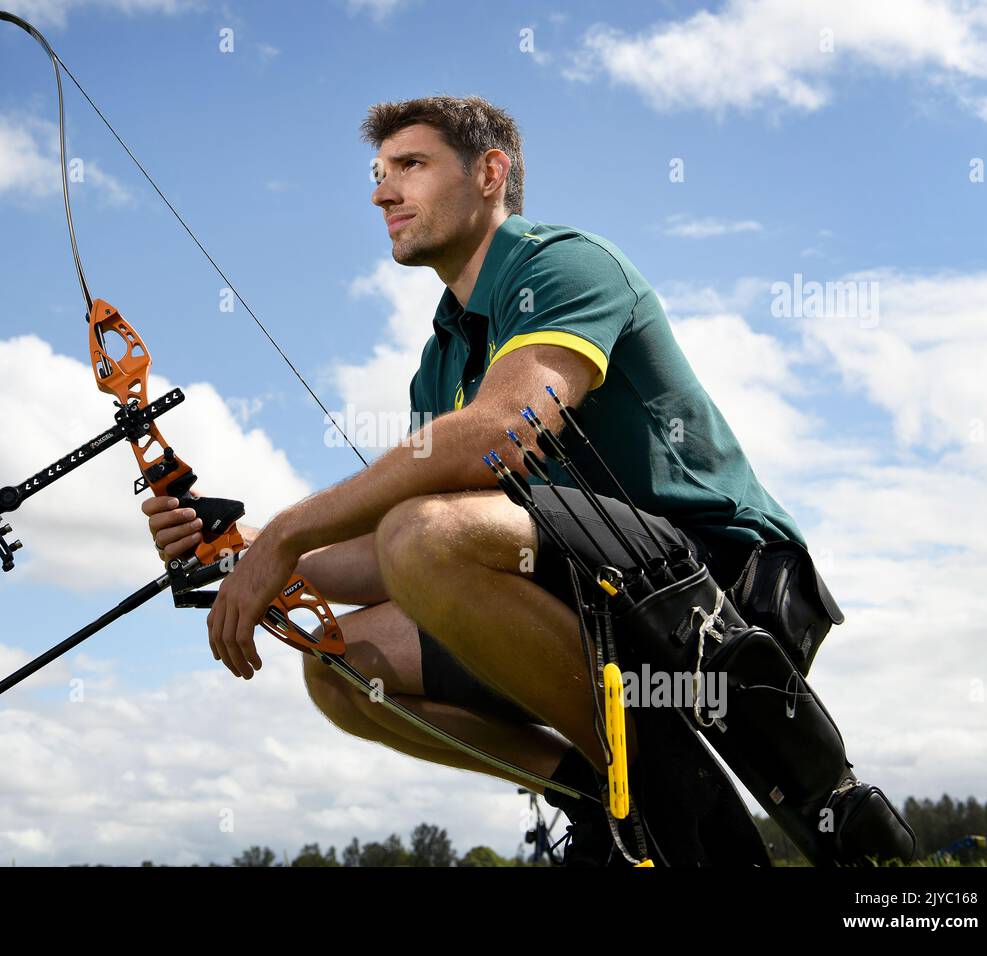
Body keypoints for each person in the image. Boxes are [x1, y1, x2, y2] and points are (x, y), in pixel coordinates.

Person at [143, 95, 815, 855]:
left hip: (722, 585)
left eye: (410, 166)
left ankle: (666, 790)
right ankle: (603, 791)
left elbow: (506, 432)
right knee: (338, 666)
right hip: (585, 590)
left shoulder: (564, 262)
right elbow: (399, 563)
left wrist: (290, 532)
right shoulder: (440, 360)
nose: (380, 192)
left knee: (421, 532)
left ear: (490, 172)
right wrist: (242, 547)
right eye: (377, 172)